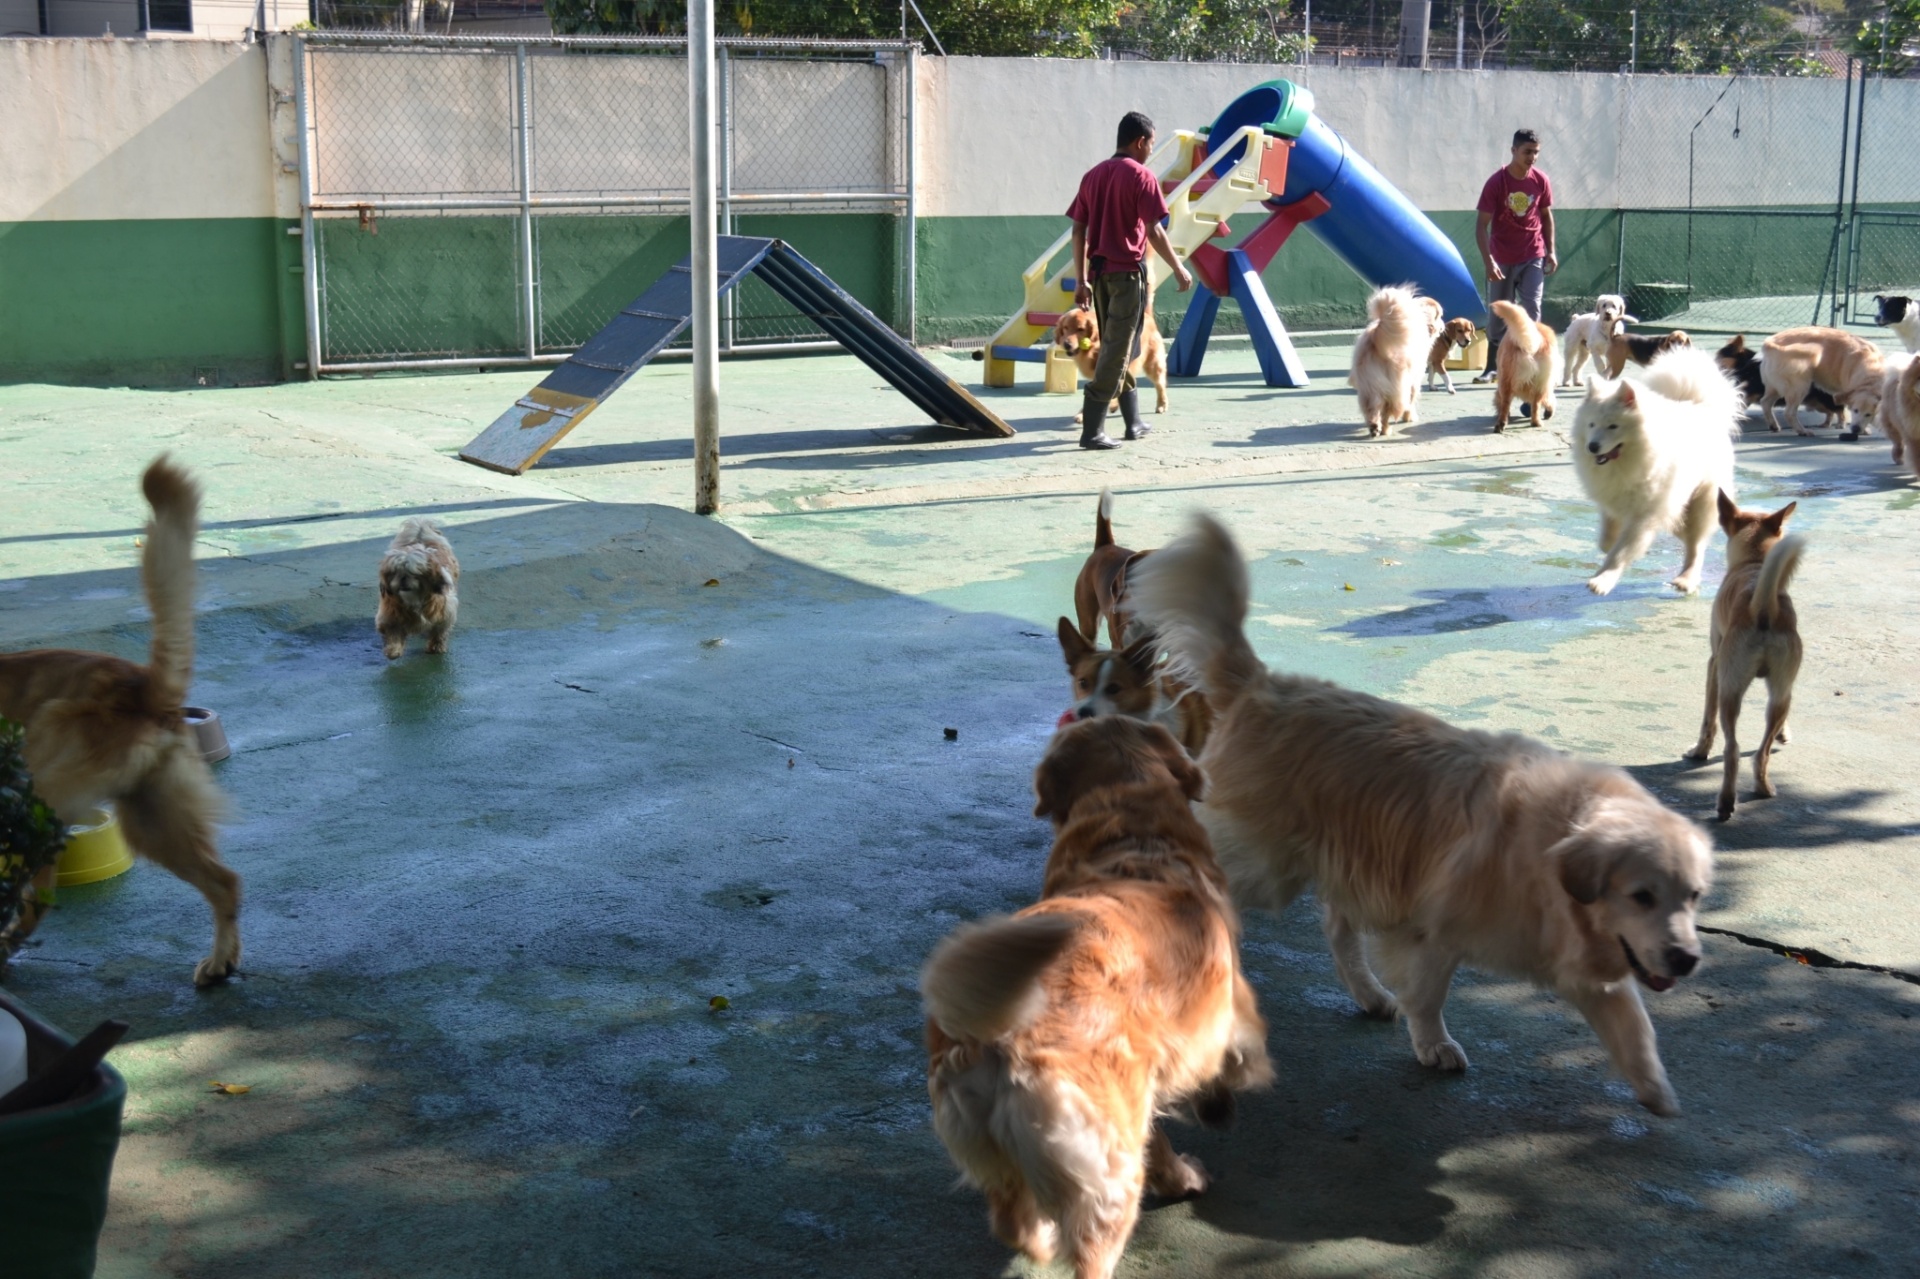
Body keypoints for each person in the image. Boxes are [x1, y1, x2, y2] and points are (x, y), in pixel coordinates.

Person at [1066, 112, 1193, 449]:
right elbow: (1154, 229)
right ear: (1141, 142)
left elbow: (1078, 230)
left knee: (1124, 345)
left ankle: (1133, 421)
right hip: (1126, 278)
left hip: (1099, 275)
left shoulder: (1092, 176)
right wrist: (1179, 268)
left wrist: (1080, 280)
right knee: (1117, 351)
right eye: (1151, 144)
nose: (1150, 150)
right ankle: (1092, 430)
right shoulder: (1142, 176)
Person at [1473, 128, 1557, 383]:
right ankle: (1492, 366)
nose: (1532, 157)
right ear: (1513, 151)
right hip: (1502, 257)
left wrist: (1551, 251)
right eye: (1527, 152)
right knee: (1500, 311)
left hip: (1533, 253)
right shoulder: (1497, 182)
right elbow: (1481, 226)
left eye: (1536, 152)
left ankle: (1530, 364)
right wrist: (1489, 262)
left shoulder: (1540, 180)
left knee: (1532, 307)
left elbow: (1546, 216)